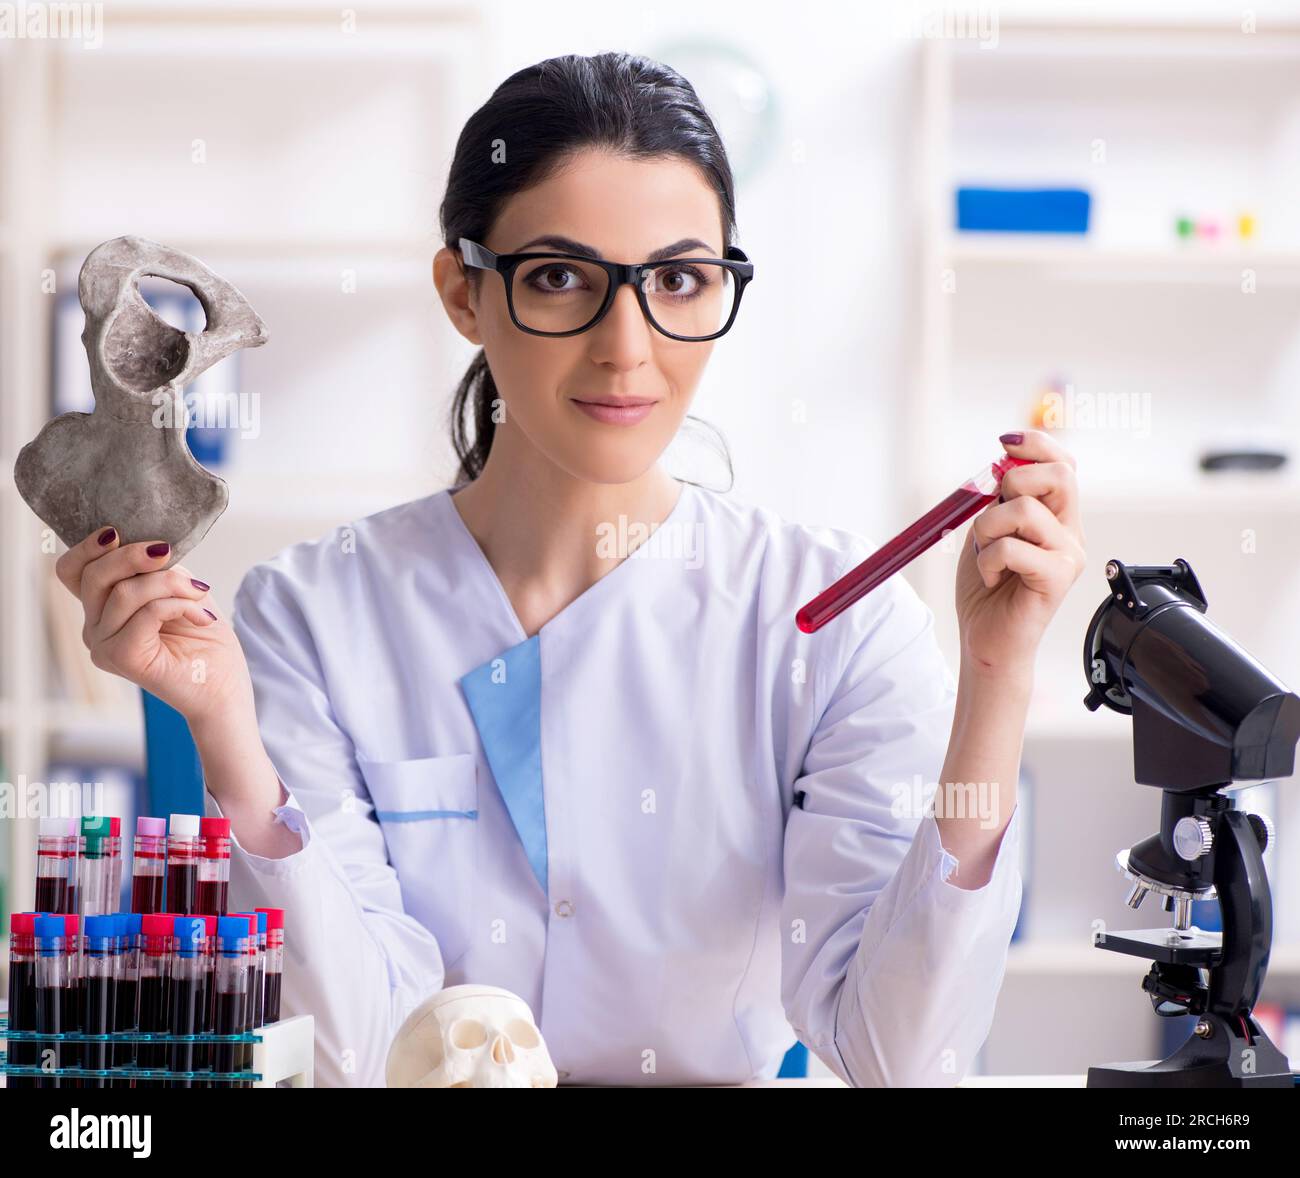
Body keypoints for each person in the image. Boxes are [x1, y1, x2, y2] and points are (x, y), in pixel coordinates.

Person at [56, 52, 1085, 1088]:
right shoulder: (311, 613)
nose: (626, 347)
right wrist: (227, 735)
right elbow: (355, 1053)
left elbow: (899, 1055)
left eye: (680, 279)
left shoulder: (835, 620)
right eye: (559, 277)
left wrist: (994, 676)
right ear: (464, 291)